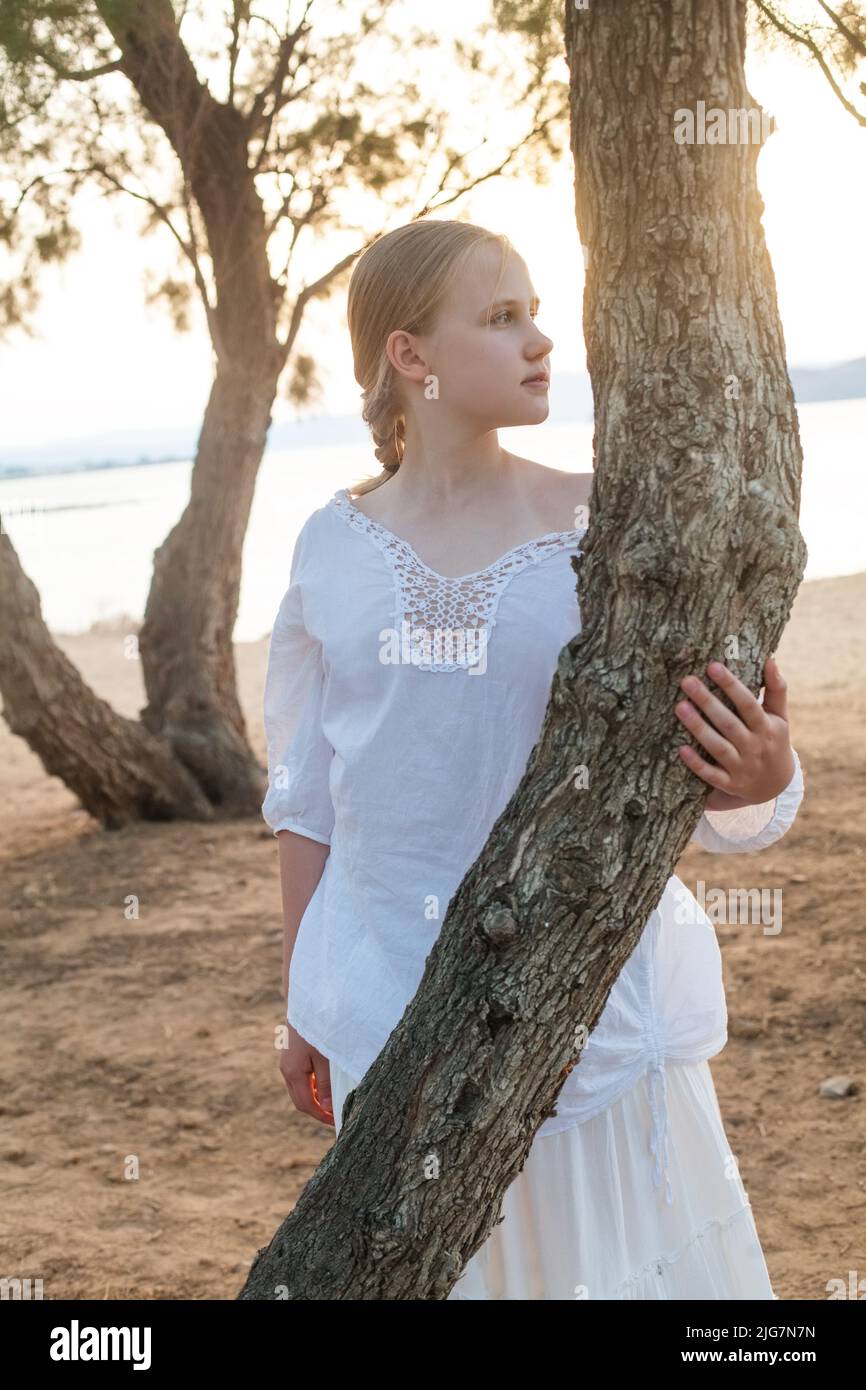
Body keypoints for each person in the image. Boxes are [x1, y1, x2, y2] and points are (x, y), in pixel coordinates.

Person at [262, 218, 805, 1300]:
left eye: (536, 313)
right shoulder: (331, 548)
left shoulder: (599, 521)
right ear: (408, 356)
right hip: (387, 996)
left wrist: (765, 775)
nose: (539, 340)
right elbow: (310, 797)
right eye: (500, 318)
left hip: (584, 991)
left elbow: (690, 762)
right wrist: (304, 1002)